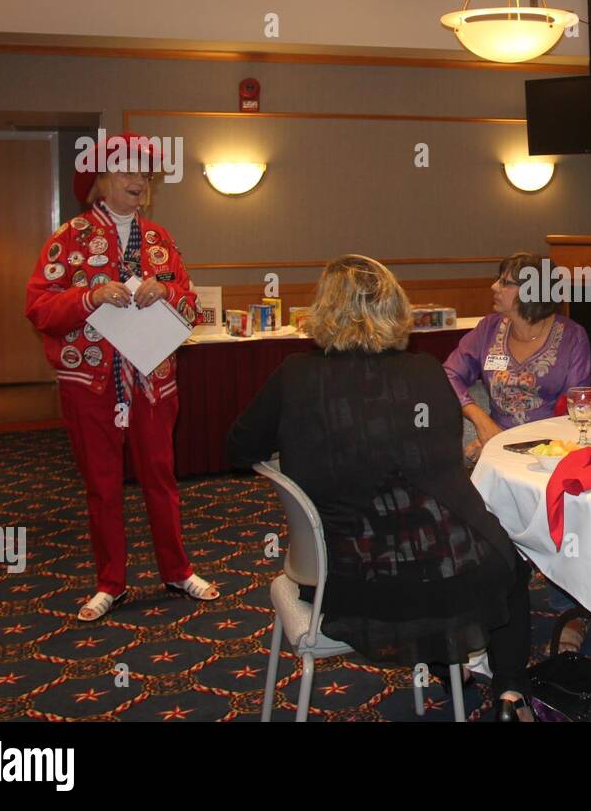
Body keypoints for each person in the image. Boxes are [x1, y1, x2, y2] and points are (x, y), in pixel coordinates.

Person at [227, 255, 535, 720]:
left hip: (343, 579)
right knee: (511, 566)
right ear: (396, 309)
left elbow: (237, 448)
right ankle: (510, 691)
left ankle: (451, 668)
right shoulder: (426, 371)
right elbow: (439, 463)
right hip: (448, 569)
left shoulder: (295, 375)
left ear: (324, 310)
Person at [25, 132, 217, 622]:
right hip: (90, 384)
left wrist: (166, 292)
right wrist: (87, 298)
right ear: (101, 181)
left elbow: (190, 303)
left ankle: (177, 569)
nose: (141, 182)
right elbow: (39, 307)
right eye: (129, 172)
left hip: (153, 380)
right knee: (103, 484)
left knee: (161, 477)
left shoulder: (159, 239)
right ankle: (110, 581)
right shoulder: (67, 239)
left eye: (145, 174)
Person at [444, 252, 591, 460]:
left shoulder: (572, 337)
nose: (494, 287)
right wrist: (481, 421)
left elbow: (578, 405)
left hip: (550, 450)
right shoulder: (489, 329)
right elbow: (449, 374)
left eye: (505, 283)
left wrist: (522, 447)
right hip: (496, 444)